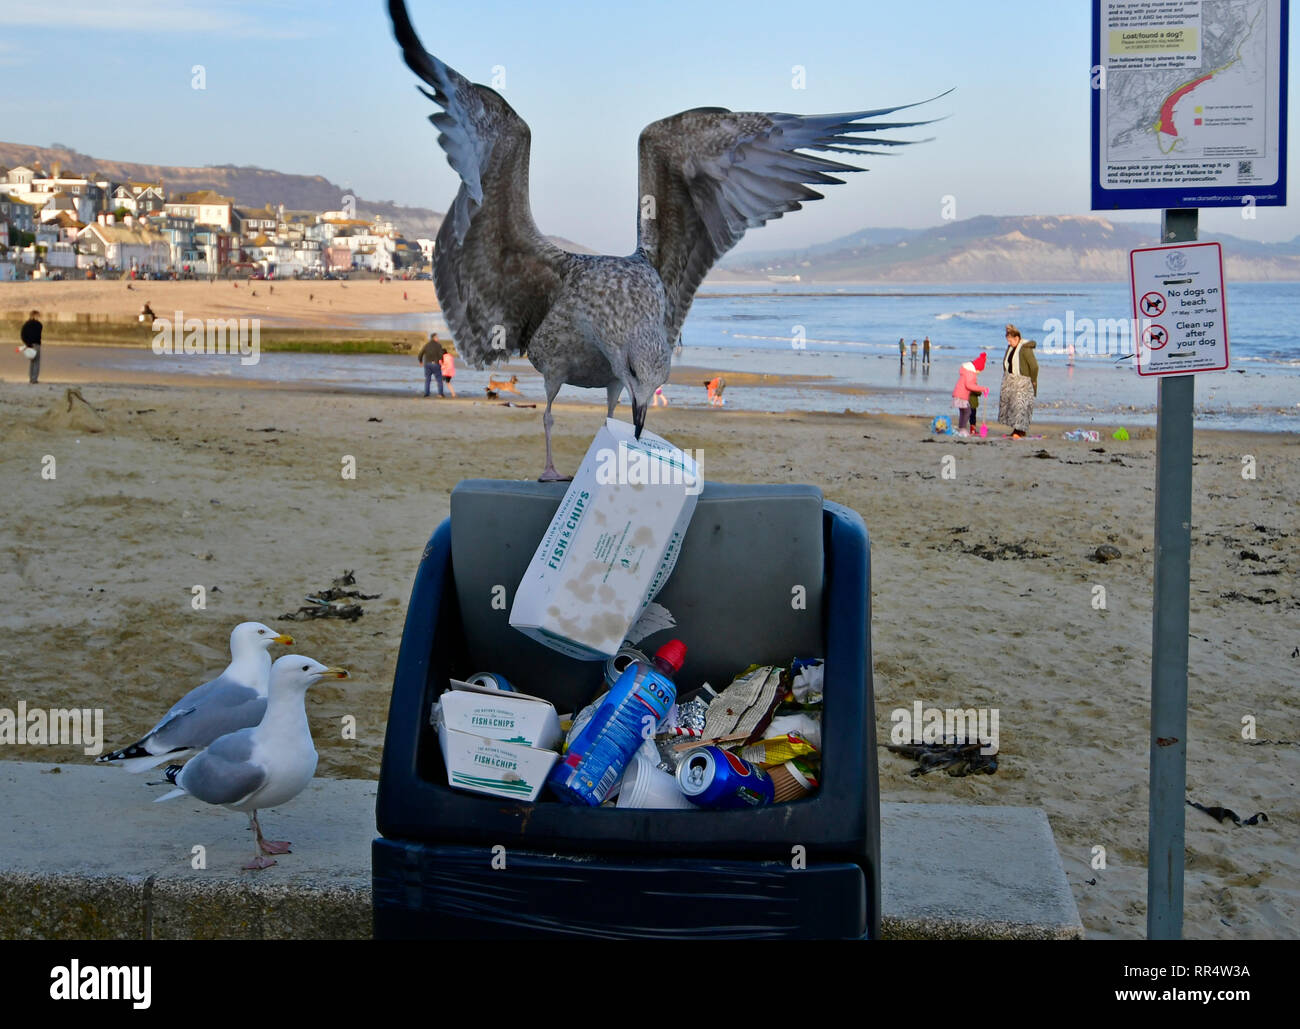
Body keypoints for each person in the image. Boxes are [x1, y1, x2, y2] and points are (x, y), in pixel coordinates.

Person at [998, 324, 1039, 438]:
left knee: (1021, 407)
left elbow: (1034, 367)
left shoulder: (1025, 349)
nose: (1009, 343)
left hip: (1023, 381)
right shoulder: (1011, 348)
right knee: (1013, 406)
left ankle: (1020, 431)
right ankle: (1016, 430)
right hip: (1011, 380)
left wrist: (1033, 381)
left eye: (1010, 340)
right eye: (1008, 340)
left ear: (1017, 338)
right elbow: (1007, 363)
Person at [951, 352, 989, 436]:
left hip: (959, 394)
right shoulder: (970, 373)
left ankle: (961, 428)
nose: (979, 372)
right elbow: (970, 386)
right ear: (977, 368)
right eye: (979, 370)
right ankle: (963, 429)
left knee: (963, 412)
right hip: (961, 396)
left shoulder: (966, 372)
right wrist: (983, 388)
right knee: (967, 412)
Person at [417, 331, 446, 397]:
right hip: (435, 364)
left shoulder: (427, 345)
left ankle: (427, 393)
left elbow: (420, 354)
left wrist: (420, 361)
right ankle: (440, 393)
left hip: (427, 364)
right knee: (439, 379)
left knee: (427, 379)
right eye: (437, 337)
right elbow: (441, 355)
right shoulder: (438, 345)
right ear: (434, 338)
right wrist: (442, 361)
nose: (438, 338)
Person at [20, 310, 42, 384]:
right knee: (36, 362)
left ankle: (31, 378)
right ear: (36, 316)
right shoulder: (39, 324)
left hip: (28, 345)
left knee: (32, 362)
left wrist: (27, 343)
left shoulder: (26, 324)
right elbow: (37, 335)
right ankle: (34, 379)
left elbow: (23, 335)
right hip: (36, 345)